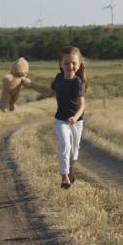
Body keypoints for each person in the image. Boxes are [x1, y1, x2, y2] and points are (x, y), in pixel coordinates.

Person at [22, 46, 88, 189]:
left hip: (76, 122)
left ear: (78, 64)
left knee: (74, 151)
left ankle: (70, 169)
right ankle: (64, 176)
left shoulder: (77, 82)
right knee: (65, 144)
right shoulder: (58, 79)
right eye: (66, 63)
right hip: (61, 120)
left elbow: (82, 104)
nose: (70, 66)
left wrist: (76, 117)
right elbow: (48, 93)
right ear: (60, 64)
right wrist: (31, 84)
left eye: (73, 63)